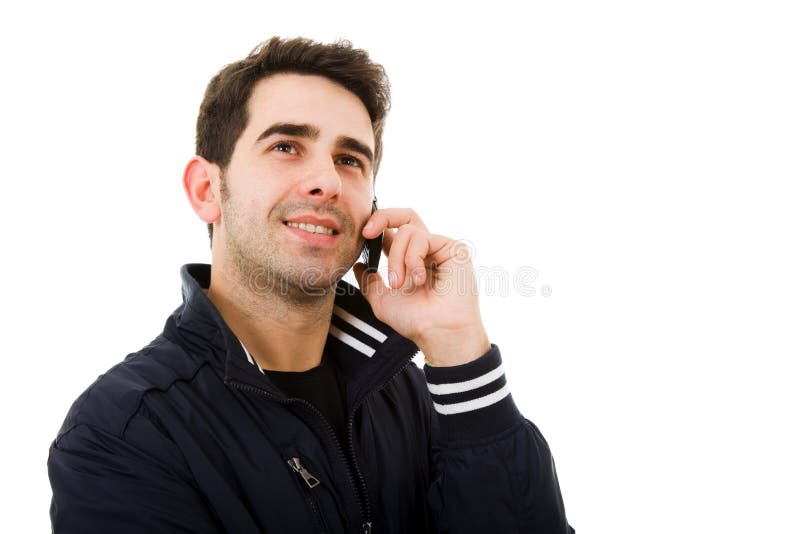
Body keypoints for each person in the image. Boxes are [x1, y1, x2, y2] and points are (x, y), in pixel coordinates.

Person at [47, 36, 574, 533]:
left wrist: (459, 349)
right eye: (286, 146)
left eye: (349, 160)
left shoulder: (422, 396)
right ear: (207, 189)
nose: (327, 181)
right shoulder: (123, 430)